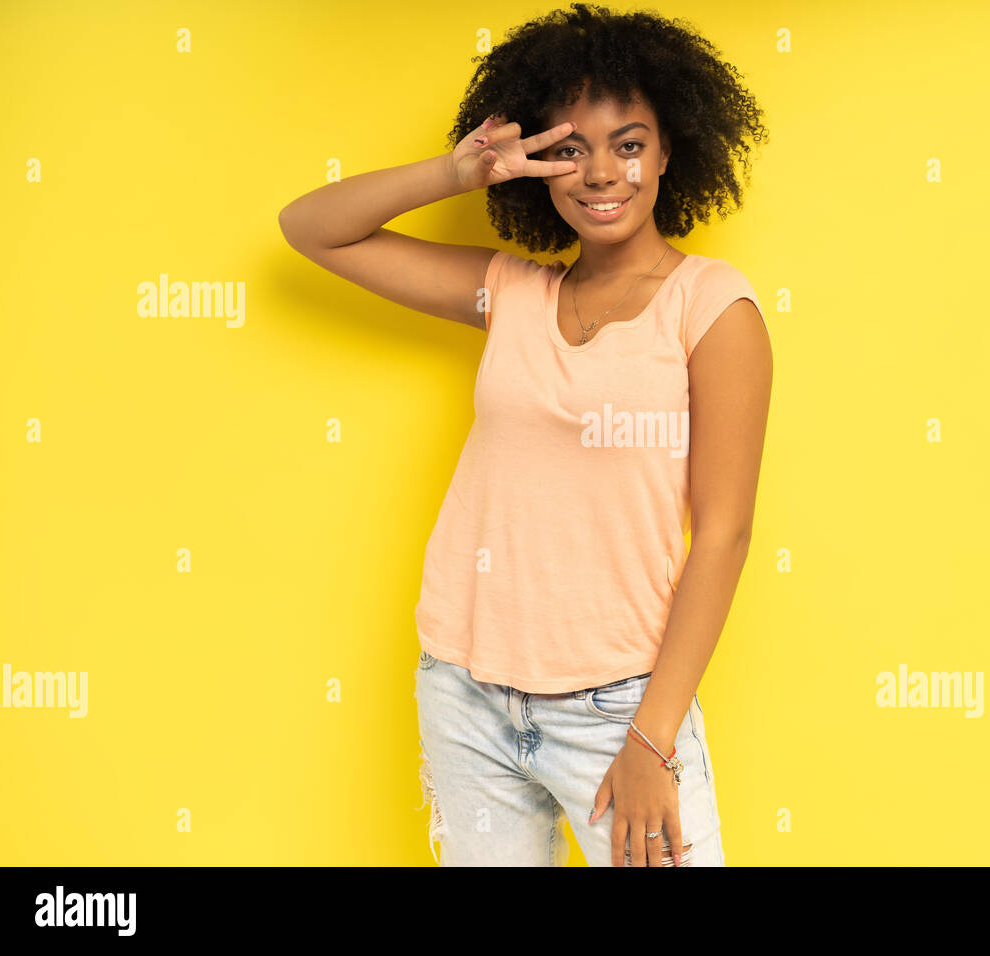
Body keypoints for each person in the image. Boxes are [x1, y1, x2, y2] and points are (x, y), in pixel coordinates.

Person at [278, 2, 771, 866]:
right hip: (466, 690)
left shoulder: (712, 306)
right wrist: (458, 172)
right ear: (541, 163)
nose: (601, 173)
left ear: (667, 153)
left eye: (629, 142)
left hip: (619, 707)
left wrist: (653, 740)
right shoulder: (511, 293)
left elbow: (723, 534)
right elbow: (311, 228)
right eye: (570, 147)